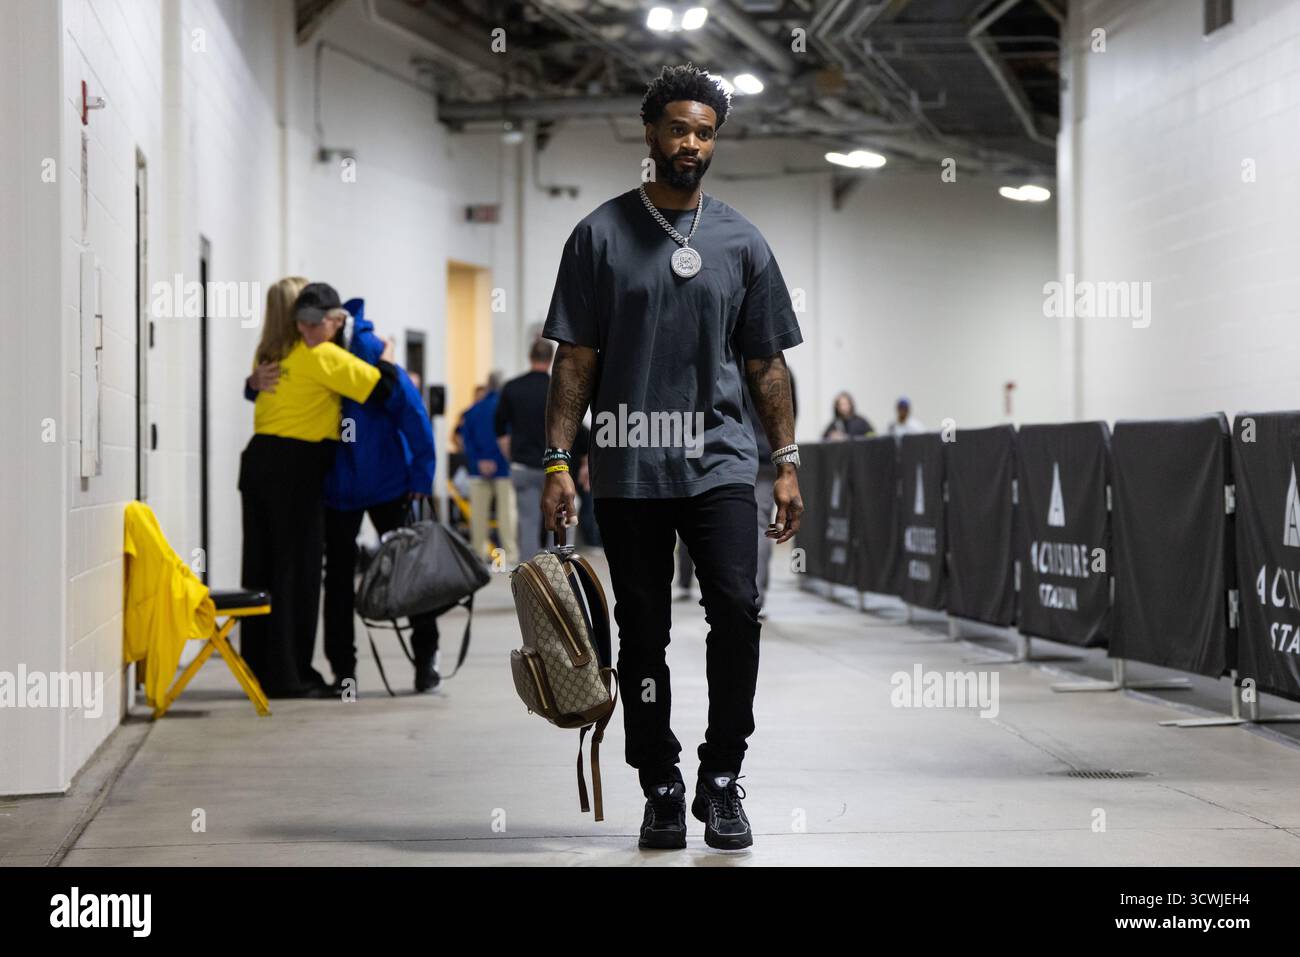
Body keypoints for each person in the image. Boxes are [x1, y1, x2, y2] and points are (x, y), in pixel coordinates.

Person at [539, 64, 803, 852]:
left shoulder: (741, 240)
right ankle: (660, 781)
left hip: (721, 461)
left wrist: (784, 457)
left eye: (705, 131)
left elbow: (767, 364)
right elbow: (575, 360)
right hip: (627, 465)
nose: (691, 142)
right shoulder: (598, 235)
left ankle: (723, 776)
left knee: (736, 611)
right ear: (650, 131)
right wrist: (558, 461)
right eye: (679, 128)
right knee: (642, 630)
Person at [238, 280, 403, 698]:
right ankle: (291, 675)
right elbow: (381, 387)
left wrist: (249, 383)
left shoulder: (268, 354)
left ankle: (259, 667)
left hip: (258, 464)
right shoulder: (320, 354)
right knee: (298, 574)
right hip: (296, 472)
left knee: (261, 569)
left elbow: (253, 390)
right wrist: (387, 357)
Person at [495, 340, 553, 560]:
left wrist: (511, 455)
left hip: (523, 465)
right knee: (556, 523)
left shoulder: (512, 387)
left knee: (527, 522)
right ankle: (555, 575)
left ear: (530, 357)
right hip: (554, 465)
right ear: (550, 359)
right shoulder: (557, 387)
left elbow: (499, 427)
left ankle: (531, 577)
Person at [462, 374, 518, 565]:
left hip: (478, 470)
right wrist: (496, 460)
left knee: (478, 515)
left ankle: (478, 555)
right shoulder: (507, 411)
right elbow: (506, 437)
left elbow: (466, 441)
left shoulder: (472, 412)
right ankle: (508, 556)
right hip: (503, 469)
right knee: (506, 515)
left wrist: (480, 460)